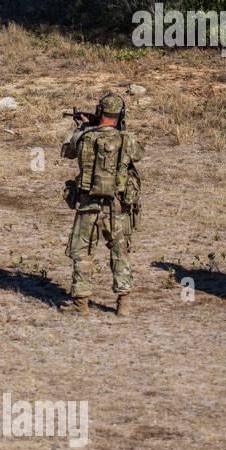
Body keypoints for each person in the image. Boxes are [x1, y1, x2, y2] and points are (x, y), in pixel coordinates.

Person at [60, 92, 144, 317]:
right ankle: (123, 303)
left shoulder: (85, 136)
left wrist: (83, 128)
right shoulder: (127, 139)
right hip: (116, 208)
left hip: (88, 205)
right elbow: (139, 155)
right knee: (120, 252)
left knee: (82, 253)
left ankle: (81, 304)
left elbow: (67, 151)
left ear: (99, 112)